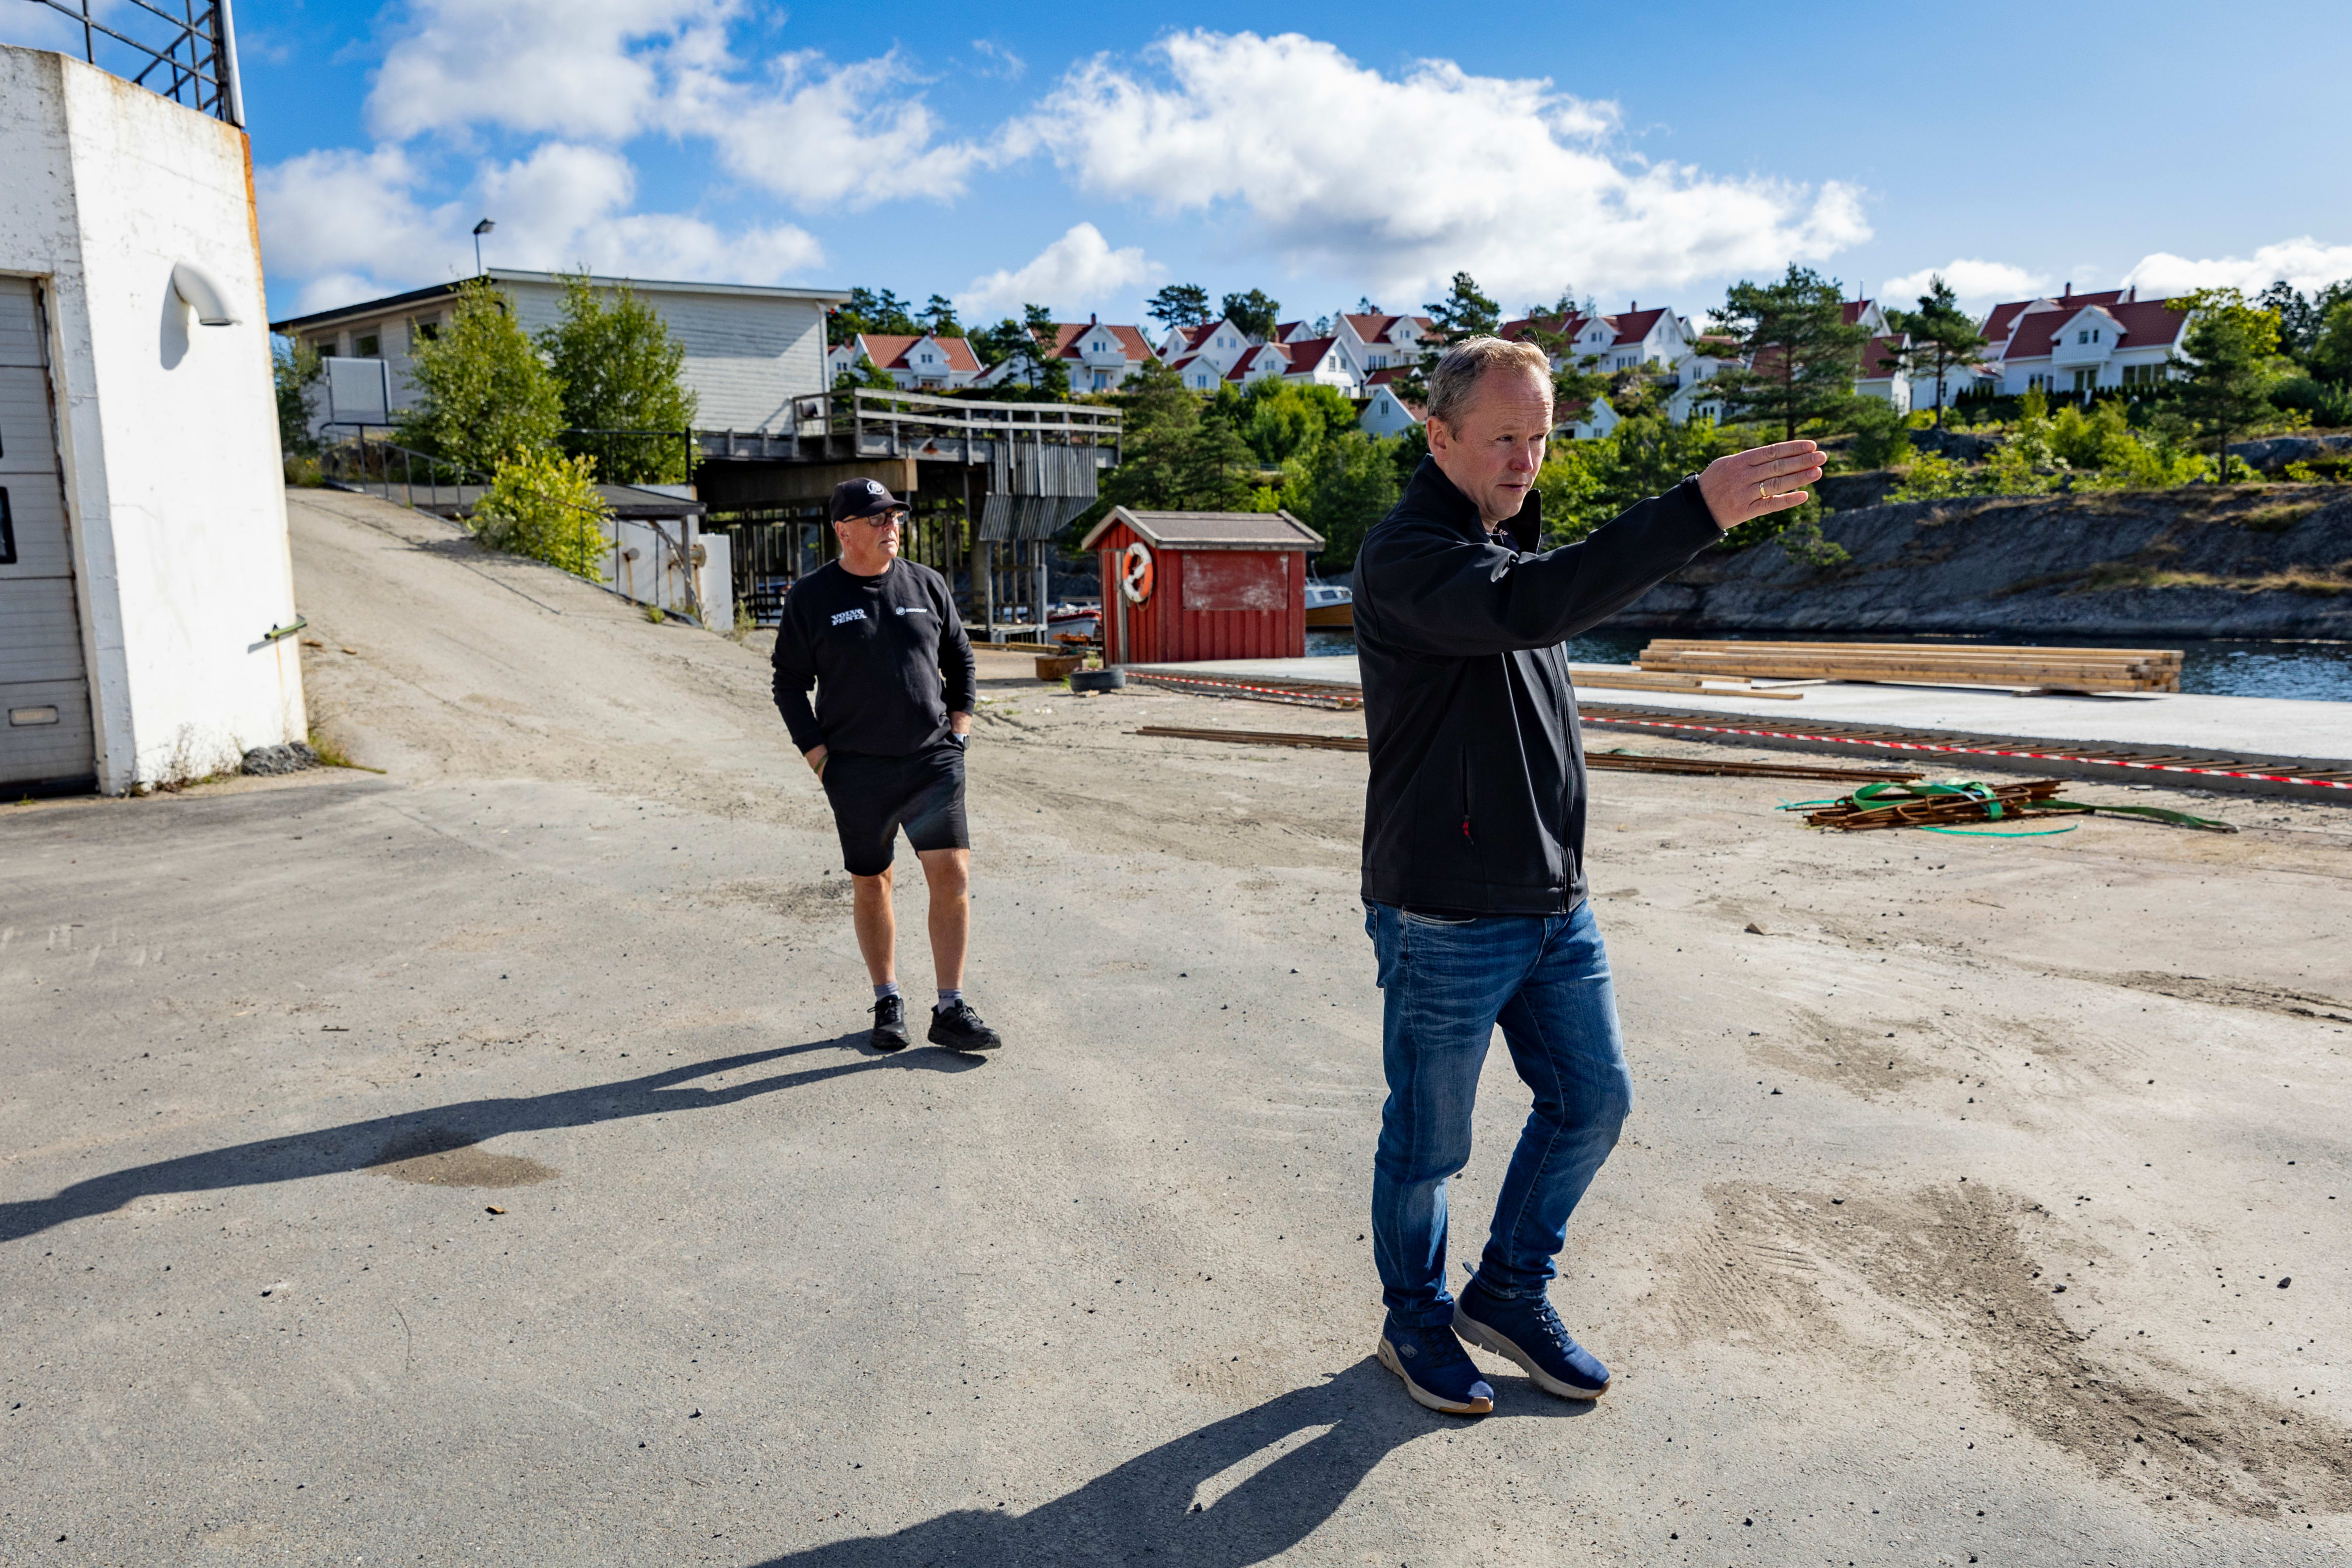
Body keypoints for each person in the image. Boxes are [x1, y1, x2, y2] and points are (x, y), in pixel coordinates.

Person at [1350, 337, 1823, 1415]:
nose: (1526, 460)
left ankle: (1507, 1291)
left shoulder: (1506, 541)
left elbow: (1540, 602)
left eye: (1540, 437)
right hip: (1445, 912)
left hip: (1553, 902)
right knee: (1428, 1144)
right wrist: (1691, 508)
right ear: (1438, 436)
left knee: (1593, 1103)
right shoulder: (1410, 554)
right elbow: (1533, 606)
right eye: (1503, 437)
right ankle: (1412, 1317)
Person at [771, 478, 1001, 1055]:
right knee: (873, 881)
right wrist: (821, 759)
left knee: (952, 873)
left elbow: (960, 657)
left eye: (893, 517)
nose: (889, 527)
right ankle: (887, 999)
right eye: (875, 519)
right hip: (857, 769)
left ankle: (949, 1006)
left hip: (932, 761)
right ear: (842, 530)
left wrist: (960, 731)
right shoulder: (812, 597)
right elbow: (789, 685)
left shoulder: (927, 584)